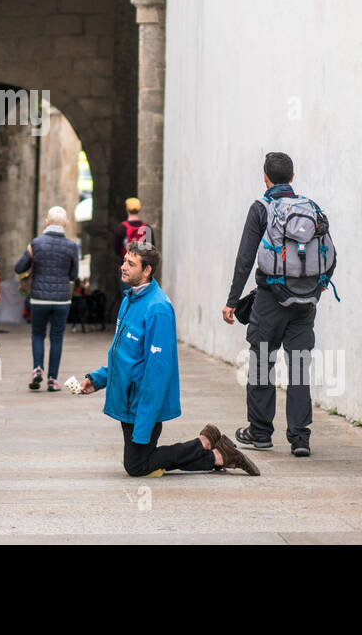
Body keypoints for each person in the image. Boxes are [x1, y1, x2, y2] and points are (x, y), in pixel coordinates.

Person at [79, 241, 260, 478]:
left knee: (137, 466)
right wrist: (98, 379)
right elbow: (124, 356)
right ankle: (213, 449)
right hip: (129, 400)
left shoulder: (158, 309)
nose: (123, 266)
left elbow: (157, 373)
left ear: (147, 271)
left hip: (142, 403)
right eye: (124, 260)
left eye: (130, 264)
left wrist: (144, 425)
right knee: (140, 462)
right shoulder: (129, 300)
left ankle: (210, 449)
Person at [221, 151, 320, 458]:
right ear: (292, 177)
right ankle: (300, 438)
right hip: (305, 300)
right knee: (300, 367)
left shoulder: (261, 207)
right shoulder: (311, 208)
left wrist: (232, 301)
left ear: (265, 177)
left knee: (263, 362)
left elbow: (245, 259)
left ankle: (260, 432)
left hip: (270, 300)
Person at [13, 206, 79, 392]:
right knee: (57, 338)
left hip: (39, 298)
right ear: (66, 224)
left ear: (46, 222)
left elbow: (19, 268)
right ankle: (52, 380)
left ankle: (37, 369)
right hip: (62, 299)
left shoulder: (36, 243)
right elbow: (73, 275)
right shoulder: (72, 246)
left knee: (38, 334)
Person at [112, 198, 153, 296]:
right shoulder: (146, 228)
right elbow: (151, 250)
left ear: (127, 209)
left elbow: (116, 248)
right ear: (139, 210)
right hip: (143, 270)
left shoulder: (121, 228)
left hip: (126, 268)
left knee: (127, 297)